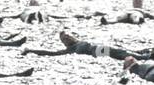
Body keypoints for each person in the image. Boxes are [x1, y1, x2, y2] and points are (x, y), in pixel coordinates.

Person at [23, 30, 151, 62]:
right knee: (121, 53)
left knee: (122, 52)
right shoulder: (70, 50)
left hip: (100, 49)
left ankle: (143, 54)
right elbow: (50, 53)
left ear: (74, 36)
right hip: (97, 51)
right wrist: (31, 50)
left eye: (68, 36)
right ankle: (145, 56)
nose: (67, 38)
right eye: (64, 39)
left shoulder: (81, 42)